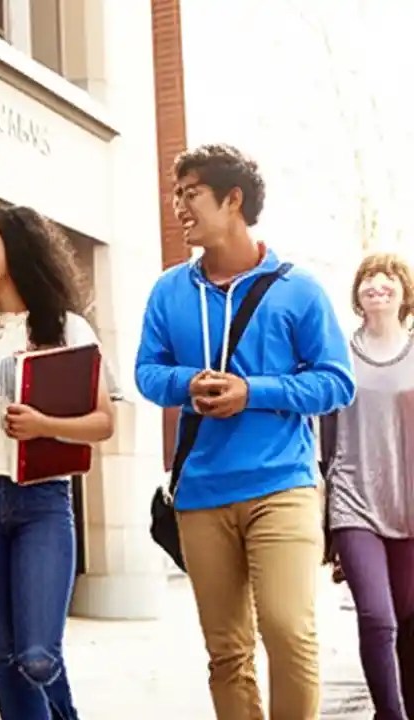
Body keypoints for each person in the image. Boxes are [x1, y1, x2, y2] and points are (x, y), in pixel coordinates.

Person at [134, 144, 354, 719]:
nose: (179, 205)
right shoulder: (168, 291)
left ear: (233, 200)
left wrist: (253, 392)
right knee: (226, 652)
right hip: (202, 493)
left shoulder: (298, 289)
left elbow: (336, 382)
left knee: (288, 631)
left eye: (192, 194)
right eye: (175, 193)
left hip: (282, 484)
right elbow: (147, 373)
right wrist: (191, 383)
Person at [0, 206, 115, 720]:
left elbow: (104, 422)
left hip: (42, 497)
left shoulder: (68, 327)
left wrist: (44, 425)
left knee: (38, 656)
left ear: (19, 247)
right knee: (5, 657)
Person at [327, 252, 414, 720]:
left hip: (410, 500)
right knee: (377, 618)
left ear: (405, 294)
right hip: (354, 498)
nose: (377, 284)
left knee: (408, 618)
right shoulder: (338, 353)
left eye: (388, 277)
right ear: (358, 295)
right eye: (367, 278)